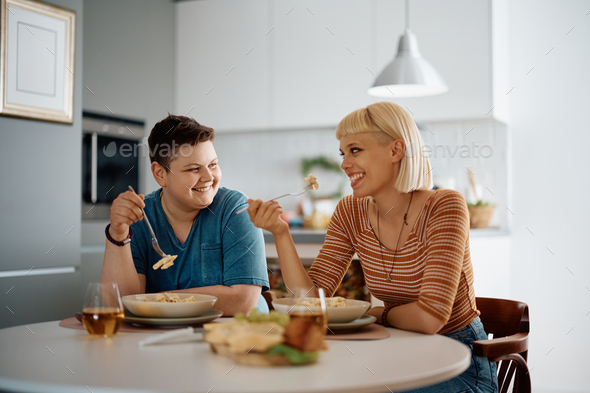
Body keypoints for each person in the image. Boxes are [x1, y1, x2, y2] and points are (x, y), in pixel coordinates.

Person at [246, 102, 498, 392]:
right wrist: (280, 233)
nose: (343, 164)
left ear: (395, 150)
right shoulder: (350, 211)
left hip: (457, 358)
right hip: (393, 348)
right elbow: (310, 300)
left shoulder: (445, 206)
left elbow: (430, 318)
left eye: (355, 150)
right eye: (342, 153)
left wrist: (376, 314)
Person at [101, 114, 270, 315]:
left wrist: (156, 300)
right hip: (164, 338)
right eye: (194, 169)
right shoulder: (139, 216)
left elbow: (242, 300)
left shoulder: (236, 209)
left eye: (213, 165)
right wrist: (118, 232)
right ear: (160, 174)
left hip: (236, 334)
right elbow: (121, 304)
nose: (209, 177)